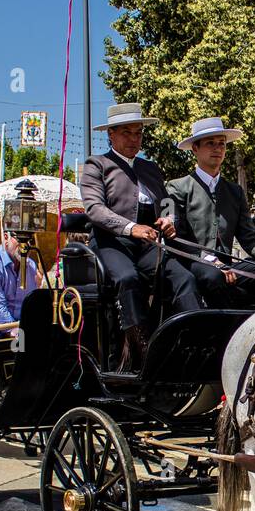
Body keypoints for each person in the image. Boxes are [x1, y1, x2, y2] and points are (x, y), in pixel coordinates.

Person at [79, 102, 201, 368]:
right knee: (128, 278)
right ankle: (140, 350)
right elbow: (94, 209)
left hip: (148, 243)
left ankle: (196, 343)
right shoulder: (96, 165)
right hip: (111, 242)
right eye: (127, 133)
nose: (134, 139)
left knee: (184, 278)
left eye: (138, 133)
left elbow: (167, 204)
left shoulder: (151, 169)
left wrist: (169, 221)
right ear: (110, 134)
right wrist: (130, 227)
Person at [166, 117, 255, 308]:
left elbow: (250, 239)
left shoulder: (234, 192)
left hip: (227, 265)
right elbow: (176, 238)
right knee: (214, 276)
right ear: (195, 148)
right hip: (193, 263)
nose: (217, 149)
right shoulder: (177, 187)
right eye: (210, 143)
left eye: (222, 144)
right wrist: (211, 260)